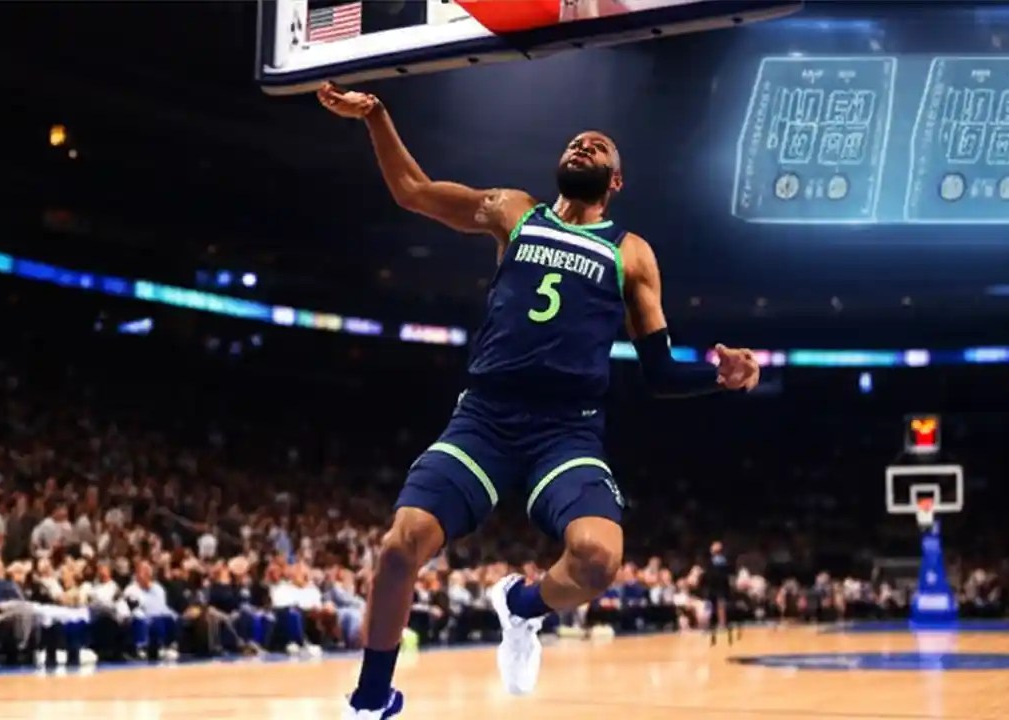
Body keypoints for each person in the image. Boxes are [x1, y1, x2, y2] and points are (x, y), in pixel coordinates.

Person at [317, 81, 761, 718]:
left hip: (565, 431)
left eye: (598, 146)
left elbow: (659, 370)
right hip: (484, 420)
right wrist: (377, 117)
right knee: (397, 548)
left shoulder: (630, 253)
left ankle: (522, 607)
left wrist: (723, 377)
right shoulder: (514, 211)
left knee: (599, 558)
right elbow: (414, 191)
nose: (583, 145)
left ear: (616, 181)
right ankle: (370, 701)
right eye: (576, 141)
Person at [702, 540, 734, 646]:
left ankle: (722, 624)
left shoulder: (723, 561)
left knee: (721, 605)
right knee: (709, 606)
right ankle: (707, 625)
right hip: (711, 586)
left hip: (721, 586)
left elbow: (726, 573)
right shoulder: (708, 560)